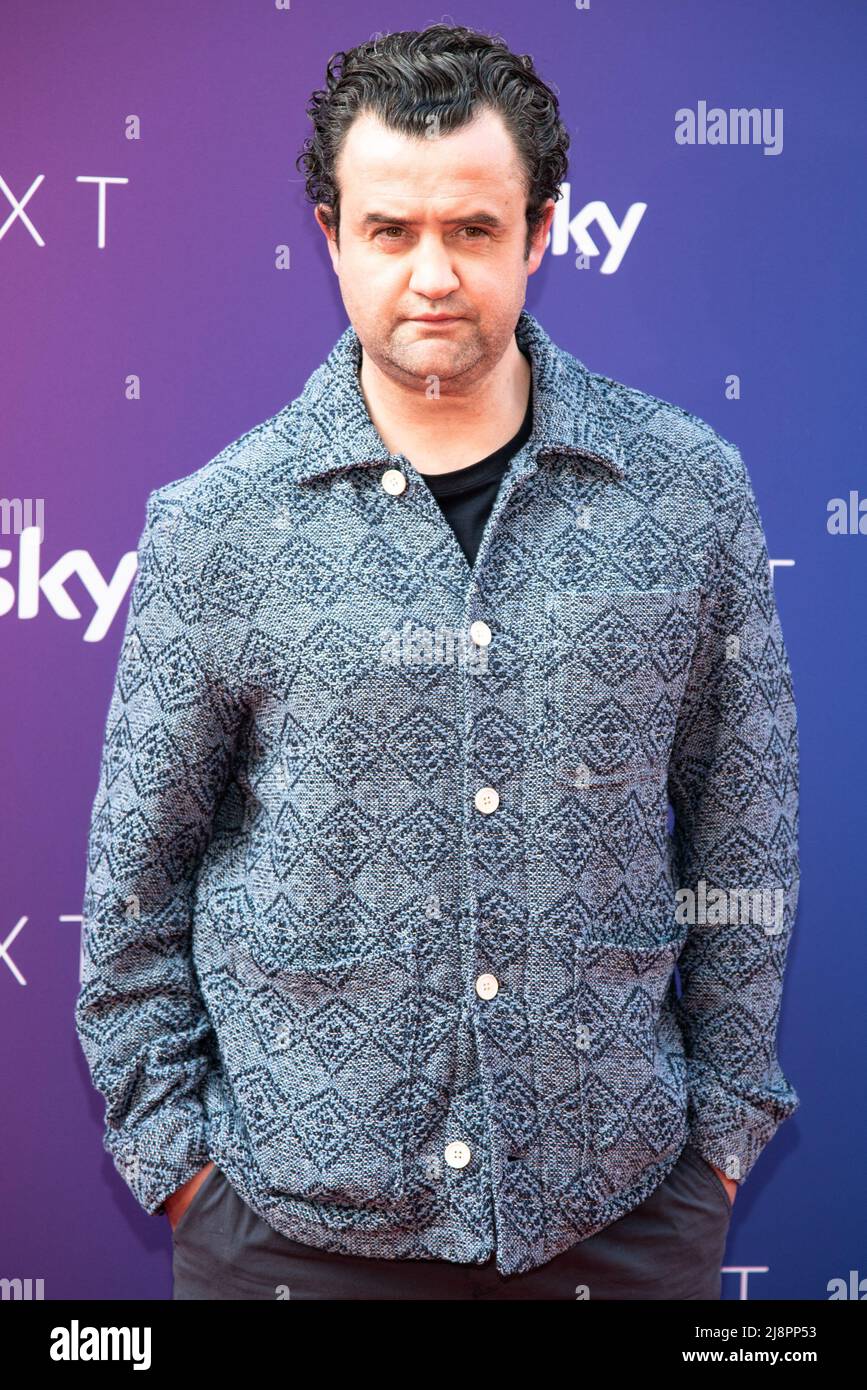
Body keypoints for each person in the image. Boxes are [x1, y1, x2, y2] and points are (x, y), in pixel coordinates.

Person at [74, 22, 800, 1301]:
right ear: (330, 231)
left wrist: (724, 1137)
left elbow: (742, 829)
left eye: (472, 229)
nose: (432, 275)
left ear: (540, 231)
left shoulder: (687, 494)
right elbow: (137, 884)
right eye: (389, 230)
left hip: (619, 1225)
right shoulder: (216, 524)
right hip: (289, 1238)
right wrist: (181, 1166)